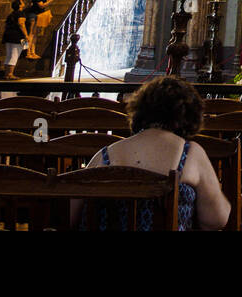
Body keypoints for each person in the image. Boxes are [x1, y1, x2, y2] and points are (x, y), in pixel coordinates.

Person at [71, 76, 231, 231]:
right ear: (190, 116)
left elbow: (71, 215)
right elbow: (216, 220)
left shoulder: (106, 154)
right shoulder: (190, 153)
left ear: (139, 111)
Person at [0, 0, 29, 80]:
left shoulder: (12, 14)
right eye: (22, 2)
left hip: (8, 36)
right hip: (17, 37)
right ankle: (10, 74)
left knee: (9, 55)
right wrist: (26, 35)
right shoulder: (20, 13)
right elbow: (21, 24)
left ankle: (6, 74)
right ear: (19, 5)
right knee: (14, 55)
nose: (23, 2)